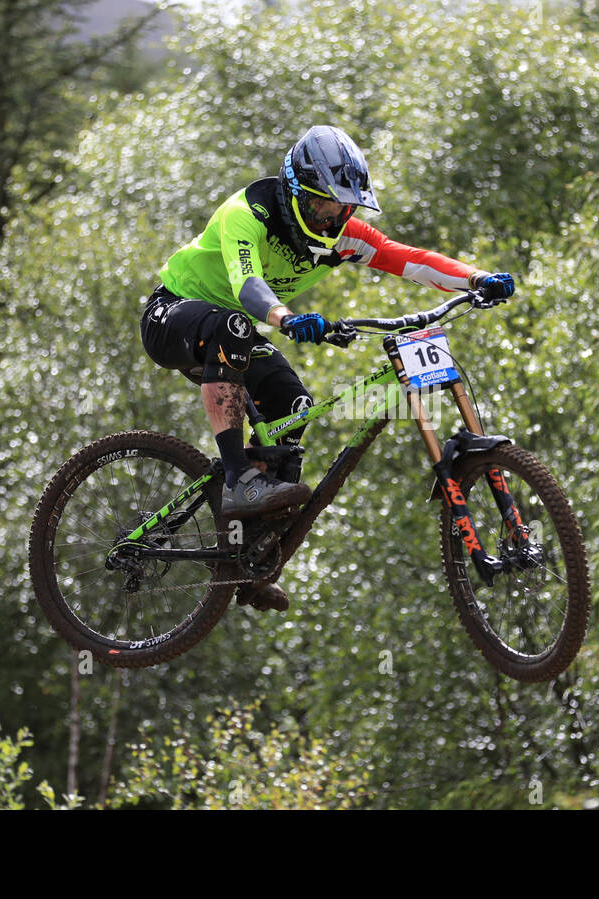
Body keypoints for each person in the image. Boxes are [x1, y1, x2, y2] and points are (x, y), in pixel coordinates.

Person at [140, 125, 514, 611]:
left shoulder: (342, 237)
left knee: (294, 411)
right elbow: (248, 285)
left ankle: (251, 561)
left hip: (235, 331)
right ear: (295, 191)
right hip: (173, 315)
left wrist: (477, 278)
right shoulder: (247, 215)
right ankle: (237, 477)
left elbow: (408, 259)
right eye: (323, 205)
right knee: (233, 325)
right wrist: (286, 319)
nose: (333, 217)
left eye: (343, 208)